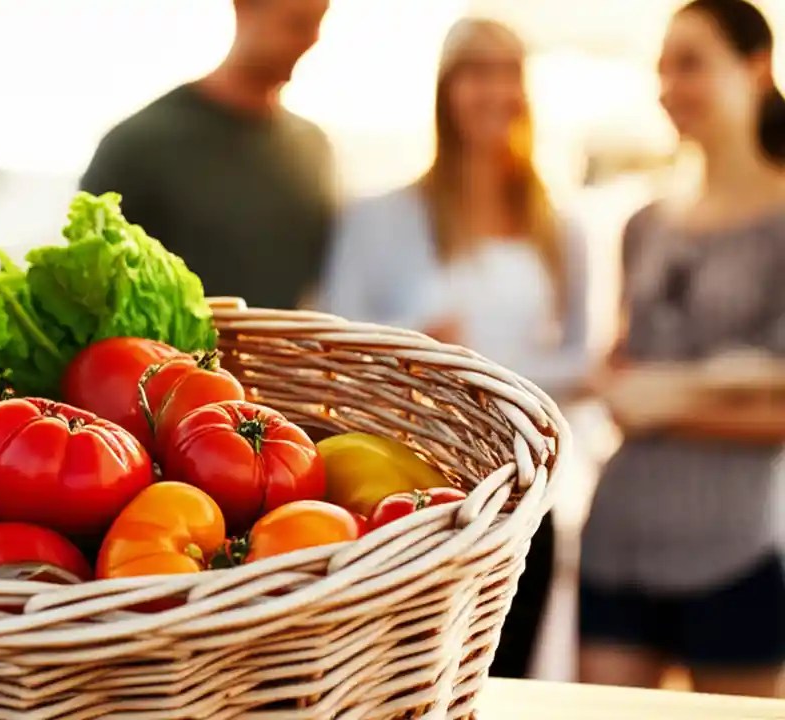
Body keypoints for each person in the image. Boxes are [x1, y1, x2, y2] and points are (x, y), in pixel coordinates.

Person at [320, 18, 590, 679]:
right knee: (398, 676)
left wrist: (487, 375)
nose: (494, 89)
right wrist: (417, 337)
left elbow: (587, 363)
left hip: (522, 494)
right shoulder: (379, 216)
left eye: (509, 72)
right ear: (446, 89)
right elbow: (331, 331)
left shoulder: (560, 227)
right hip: (407, 492)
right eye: (476, 71)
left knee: (502, 680)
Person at [579, 0, 785, 697]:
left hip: (733, 548)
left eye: (691, 64)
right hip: (618, 541)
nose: (670, 86)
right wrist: (707, 386)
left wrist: (659, 405)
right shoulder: (644, 223)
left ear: (757, 67)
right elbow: (617, 376)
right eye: (663, 68)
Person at [79, 0, 336, 310]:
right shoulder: (139, 144)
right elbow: (92, 284)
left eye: (319, 22)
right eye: (298, 23)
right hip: (170, 357)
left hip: (279, 358)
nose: (313, 37)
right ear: (244, 8)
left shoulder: (313, 148)